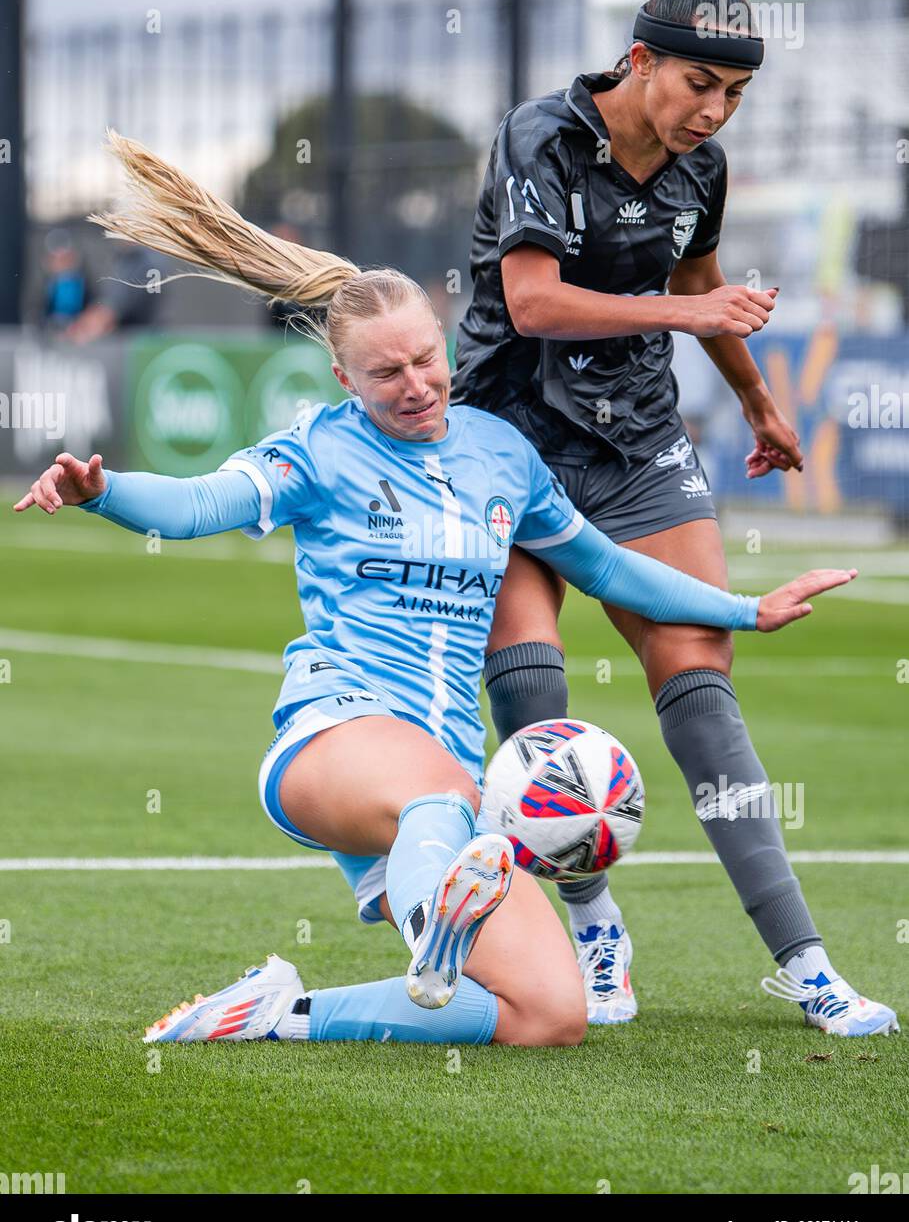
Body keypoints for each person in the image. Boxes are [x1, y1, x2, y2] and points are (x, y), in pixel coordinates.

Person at [13, 131, 877, 1048]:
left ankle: (280, 1013)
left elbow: (609, 568)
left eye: (426, 358)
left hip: (450, 795)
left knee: (548, 1016)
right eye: (386, 373)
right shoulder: (321, 447)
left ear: (444, 336)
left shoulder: (501, 455)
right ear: (343, 378)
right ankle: (441, 931)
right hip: (335, 738)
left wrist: (748, 608)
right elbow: (195, 505)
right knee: (434, 791)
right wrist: (103, 493)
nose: (418, 384)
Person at [451, 0, 899, 1037]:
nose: (716, 110)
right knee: (531, 692)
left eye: (736, 94)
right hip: (509, 435)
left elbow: (700, 287)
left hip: (642, 439)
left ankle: (805, 961)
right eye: (701, 84)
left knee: (701, 682)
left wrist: (755, 402)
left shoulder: (707, 169)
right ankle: (594, 920)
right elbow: (538, 302)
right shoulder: (540, 138)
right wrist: (691, 321)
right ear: (642, 60)